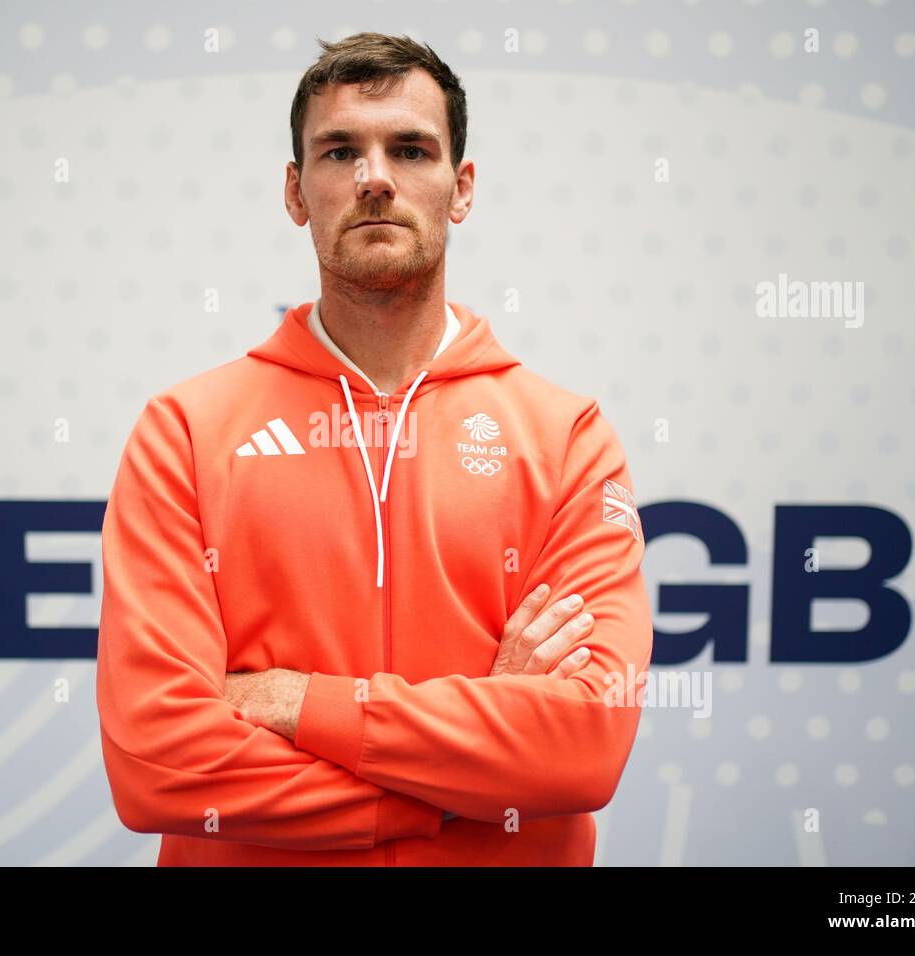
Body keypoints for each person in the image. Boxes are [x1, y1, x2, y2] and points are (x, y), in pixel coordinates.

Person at [96, 31, 653, 866]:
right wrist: (465, 782)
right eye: (338, 152)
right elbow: (159, 765)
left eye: (411, 149)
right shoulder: (186, 431)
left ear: (461, 188)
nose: (375, 178)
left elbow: (583, 746)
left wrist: (298, 703)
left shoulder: (566, 437)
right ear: (295, 191)